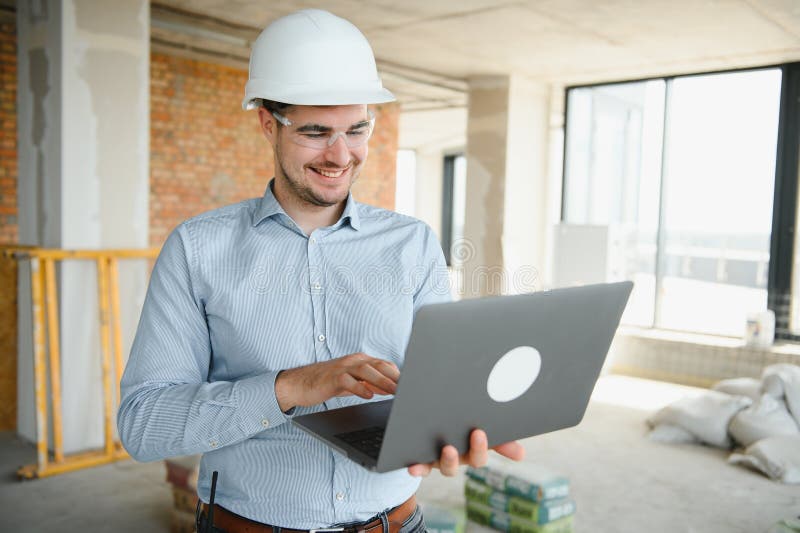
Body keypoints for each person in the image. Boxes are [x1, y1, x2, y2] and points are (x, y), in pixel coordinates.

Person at [118, 8, 523, 533]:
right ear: (268, 122)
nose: (341, 154)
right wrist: (289, 387)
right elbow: (145, 425)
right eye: (315, 131)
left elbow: (438, 390)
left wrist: (456, 429)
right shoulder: (198, 250)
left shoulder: (412, 243)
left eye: (357, 130)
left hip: (396, 523)